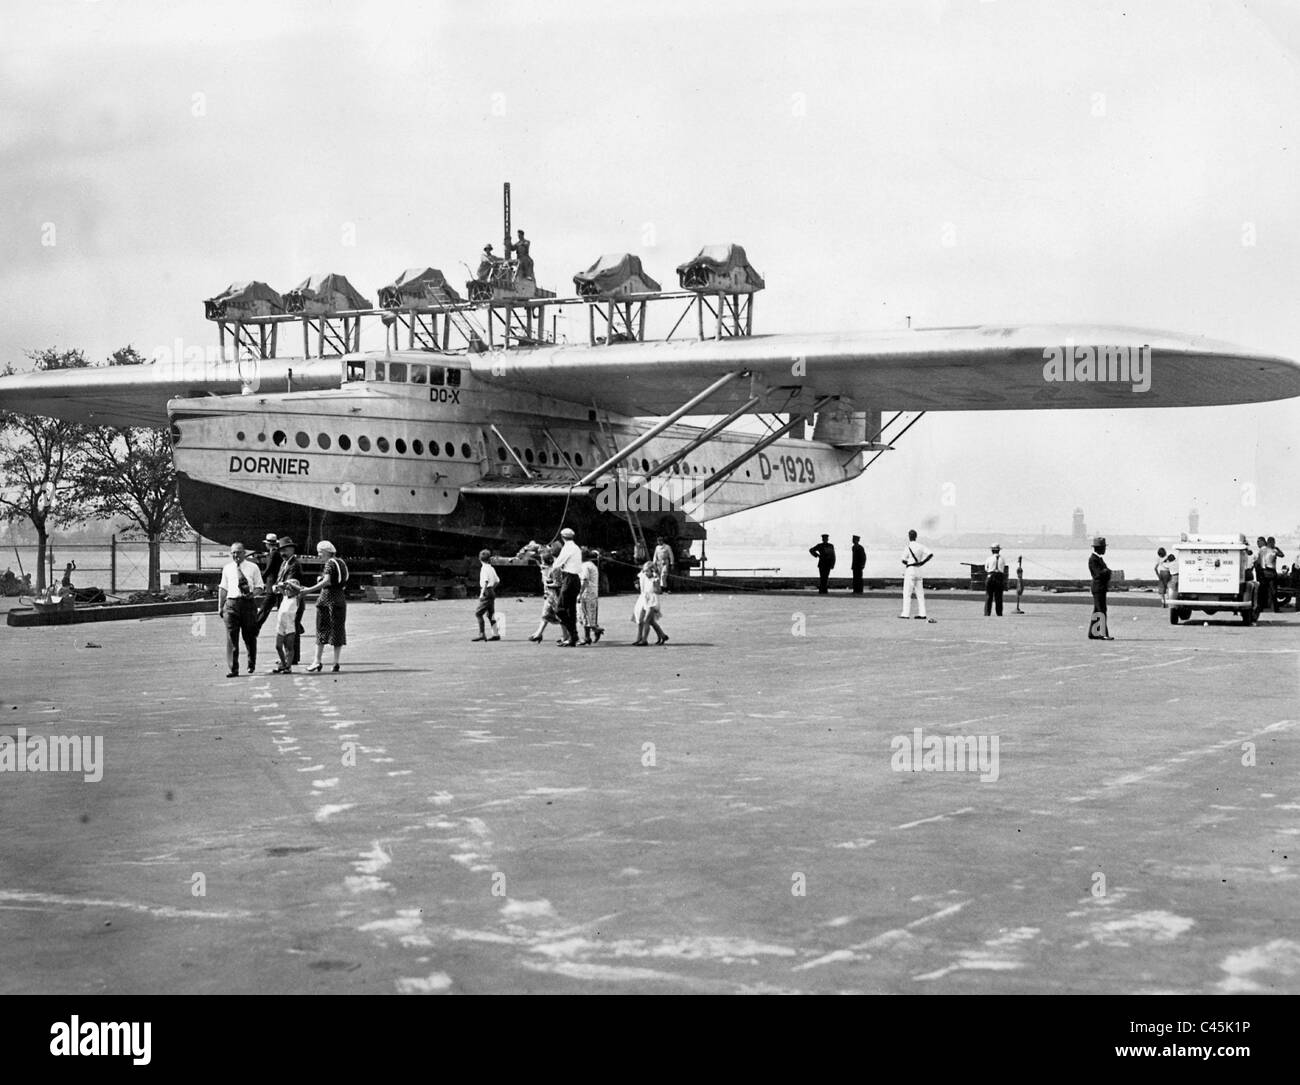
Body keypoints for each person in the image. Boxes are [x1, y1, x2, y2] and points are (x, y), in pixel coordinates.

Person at [218, 541, 265, 677]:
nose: (235, 555)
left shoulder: (253, 567)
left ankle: (251, 663)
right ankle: (233, 668)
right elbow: (223, 588)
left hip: (247, 604)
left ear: (244, 553)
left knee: (249, 636)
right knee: (232, 637)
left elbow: (260, 586)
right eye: (233, 552)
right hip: (231, 604)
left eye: (238, 552)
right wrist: (220, 606)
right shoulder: (227, 568)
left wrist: (252, 594)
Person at [305, 541, 348, 672]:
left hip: (327, 598)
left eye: (320, 552)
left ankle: (317, 661)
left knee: (321, 629)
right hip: (340, 598)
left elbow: (327, 581)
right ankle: (336, 662)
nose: (318, 555)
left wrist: (308, 590)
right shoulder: (341, 562)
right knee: (338, 630)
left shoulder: (329, 563)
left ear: (327, 551)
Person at [273, 537, 307, 663]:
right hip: (285, 601)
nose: (282, 553)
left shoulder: (294, 564)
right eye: (281, 550)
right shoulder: (284, 563)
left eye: (285, 549)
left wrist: (278, 586)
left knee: (292, 630)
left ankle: (292, 658)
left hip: (294, 602)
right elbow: (280, 581)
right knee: (289, 628)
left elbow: (289, 583)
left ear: (292, 549)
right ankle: (289, 657)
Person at [553, 527, 584, 647]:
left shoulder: (567, 548)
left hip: (569, 578)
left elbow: (557, 564)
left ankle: (573, 634)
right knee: (571, 610)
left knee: (560, 609)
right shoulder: (576, 548)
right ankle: (572, 638)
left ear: (562, 538)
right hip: (575, 579)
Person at [527, 546, 563, 643]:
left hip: (555, 596)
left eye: (542, 560)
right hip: (549, 595)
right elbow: (534, 557)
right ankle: (538, 633)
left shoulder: (554, 569)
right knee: (545, 615)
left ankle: (566, 636)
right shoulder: (544, 569)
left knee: (561, 616)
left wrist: (548, 584)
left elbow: (558, 583)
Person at [899, 529, 934, 620]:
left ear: (909, 536)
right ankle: (922, 614)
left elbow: (903, 560)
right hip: (919, 570)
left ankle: (905, 614)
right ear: (916, 536)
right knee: (920, 593)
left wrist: (908, 562)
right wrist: (922, 562)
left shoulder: (908, 547)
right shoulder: (921, 546)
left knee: (907, 593)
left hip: (910, 570)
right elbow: (930, 554)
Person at [271, 579, 303, 674]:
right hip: (280, 626)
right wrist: (282, 585)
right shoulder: (285, 596)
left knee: (289, 647)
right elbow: (275, 587)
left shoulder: (297, 598)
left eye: (289, 589)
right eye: (286, 589)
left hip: (290, 626)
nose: (287, 591)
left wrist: (290, 584)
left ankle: (288, 666)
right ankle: (283, 663)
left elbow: (300, 589)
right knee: (278, 646)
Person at [633, 560, 668, 645]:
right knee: (643, 620)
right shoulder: (642, 575)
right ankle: (662, 636)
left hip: (652, 600)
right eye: (644, 571)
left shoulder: (655, 579)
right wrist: (637, 584)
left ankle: (644, 640)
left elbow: (659, 590)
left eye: (647, 571)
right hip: (643, 599)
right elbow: (637, 580)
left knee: (646, 620)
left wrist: (655, 583)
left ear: (652, 570)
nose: (645, 573)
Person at [471, 549, 501, 642]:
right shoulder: (491, 568)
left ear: (480, 559)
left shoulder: (484, 568)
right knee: (490, 614)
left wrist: (481, 593)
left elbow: (485, 581)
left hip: (486, 591)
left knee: (478, 613)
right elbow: (497, 581)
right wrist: (492, 589)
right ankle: (496, 634)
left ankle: (482, 634)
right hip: (491, 591)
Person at [255, 533, 283, 631]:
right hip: (276, 584)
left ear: (267, 544)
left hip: (272, 584)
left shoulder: (273, 553)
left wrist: (260, 579)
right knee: (279, 607)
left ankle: (255, 625)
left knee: (265, 606)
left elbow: (269, 569)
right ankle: (295, 626)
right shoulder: (276, 552)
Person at [1088, 536, 1114, 640]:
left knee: (1097, 610)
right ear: (1098, 548)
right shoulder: (1093, 559)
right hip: (1098, 588)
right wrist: (1107, 571)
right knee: (1101, 610)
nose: (1105, 550)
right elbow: (1098, 574)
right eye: (1103, 548)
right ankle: (1103, 633)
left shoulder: (1098, 559)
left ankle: (1093, 633)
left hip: (1101, 588)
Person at [579, 549, 604, 645]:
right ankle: (592, 632)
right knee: (588, 616)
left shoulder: (585, 566)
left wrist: (580, 593)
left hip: (587, 593)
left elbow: (584, 580)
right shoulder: (590, 565)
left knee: (585, 615)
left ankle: (588, 636)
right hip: (592, 593)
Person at [983, 544, 1006, 617]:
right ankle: (999, 613)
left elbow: (986, 569)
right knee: (999, 596)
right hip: (999, 576)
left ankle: (987, 612)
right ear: (999, 550)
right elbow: (1003, 568)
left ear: (992, 550)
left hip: (990, 576)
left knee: (989, 596)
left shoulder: (989, 558)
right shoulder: (1002, 559)